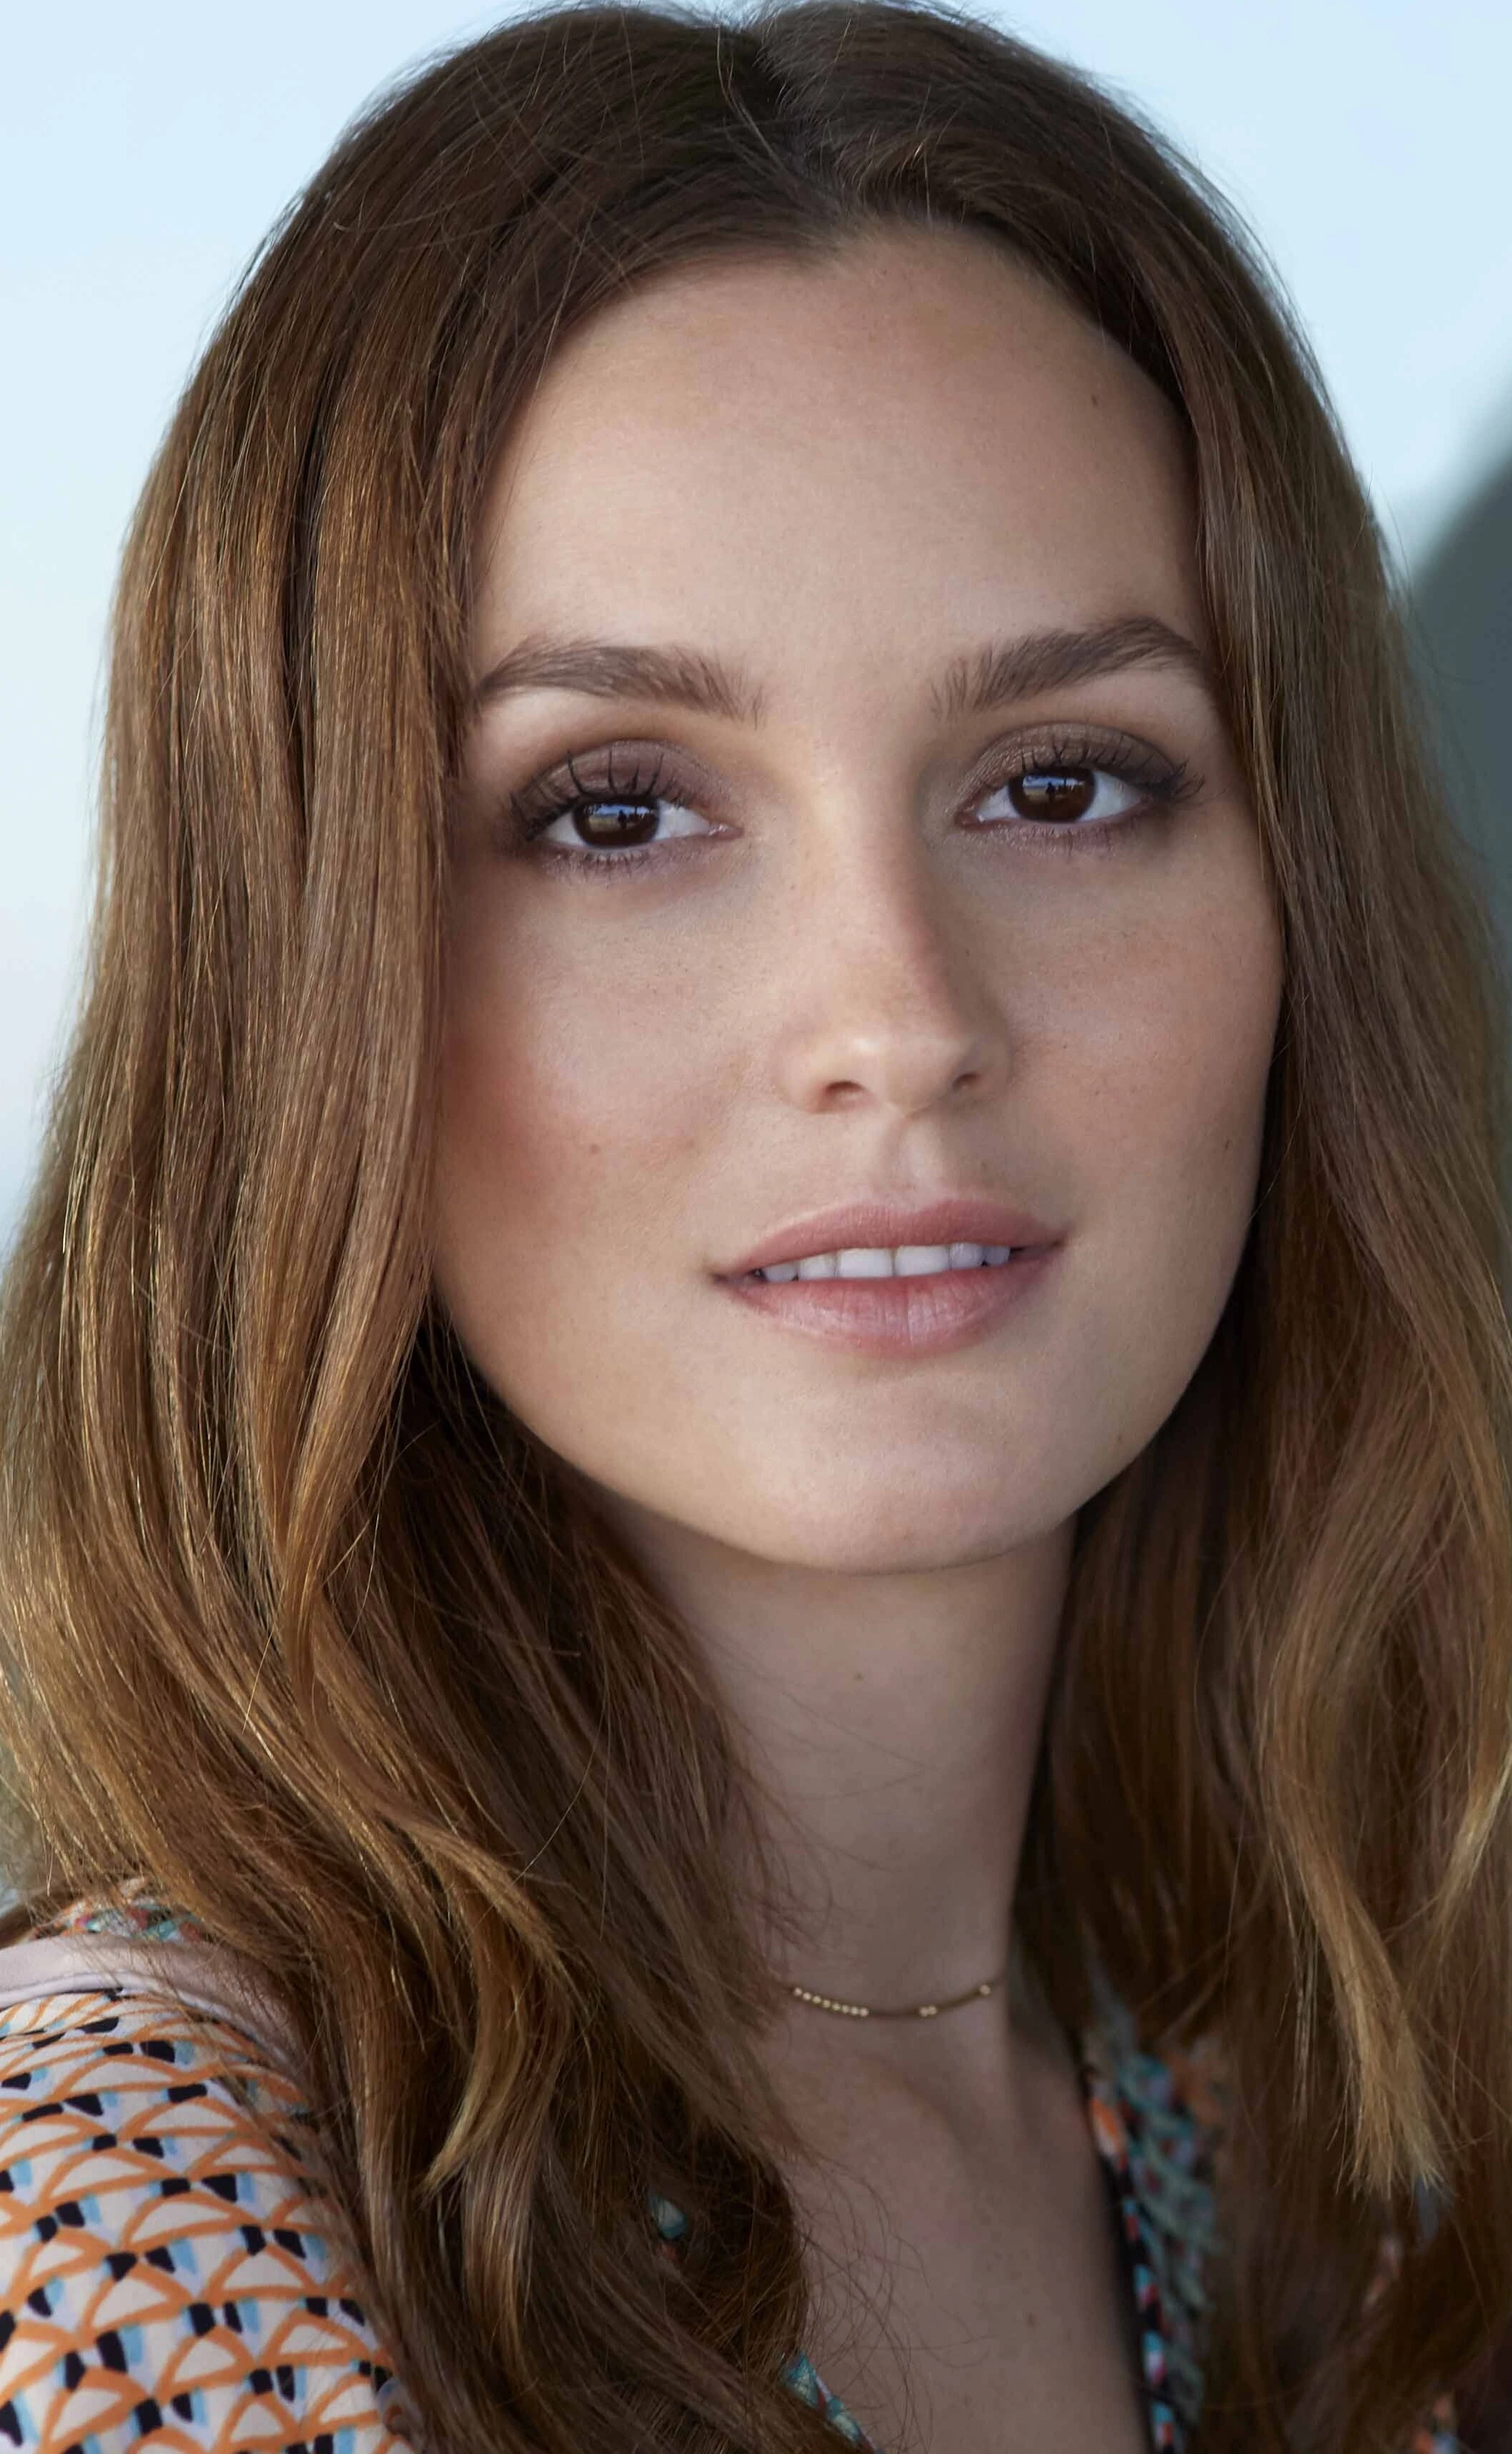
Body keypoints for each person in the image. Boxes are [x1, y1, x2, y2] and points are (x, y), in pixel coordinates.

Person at [0, 3, 1509, 2448]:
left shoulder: (1328, 2186)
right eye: (618, 813)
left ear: (1302, 910)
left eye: (1060, 783)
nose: (899, 1021)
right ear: (307, 977)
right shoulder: (126, 2233)